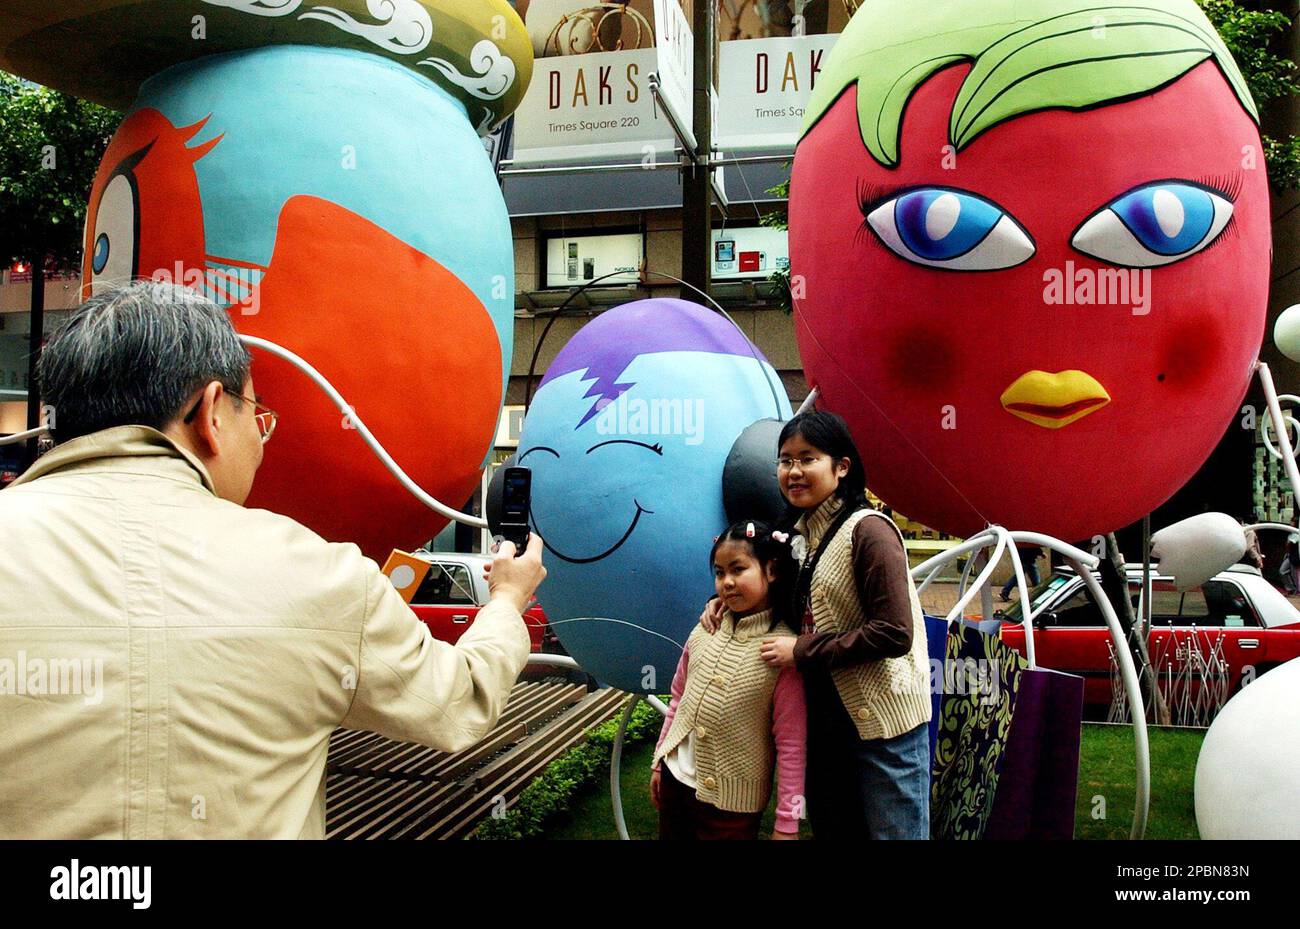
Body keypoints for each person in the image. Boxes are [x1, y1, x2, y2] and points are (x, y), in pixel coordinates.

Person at [0, 281, 546, 839]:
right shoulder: (319, 574)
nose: (261, 440)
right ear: (212, 411)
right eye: (257, 413)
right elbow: (460, 702)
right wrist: (507, 599)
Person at [702, 410, 931, 839]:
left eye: (808, 459)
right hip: (825, 721)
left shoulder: (870, 532)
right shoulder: (795, 534)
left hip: (884, 724)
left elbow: (895, 632)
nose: (794, 471)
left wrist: (802, 651)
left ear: (842, 467)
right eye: (785, 460)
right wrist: (722, 602)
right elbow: (771, 592)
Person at [652, 520, 806, 840]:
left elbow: (791, 744)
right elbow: (678, 699)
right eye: (720, 573)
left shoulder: (783, 652)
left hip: (731, 807)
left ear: (772, 570)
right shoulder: (706, 628)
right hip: (674, 780)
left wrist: (788, 823)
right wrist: (658, 760)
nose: (727, 582)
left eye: (738, 569)